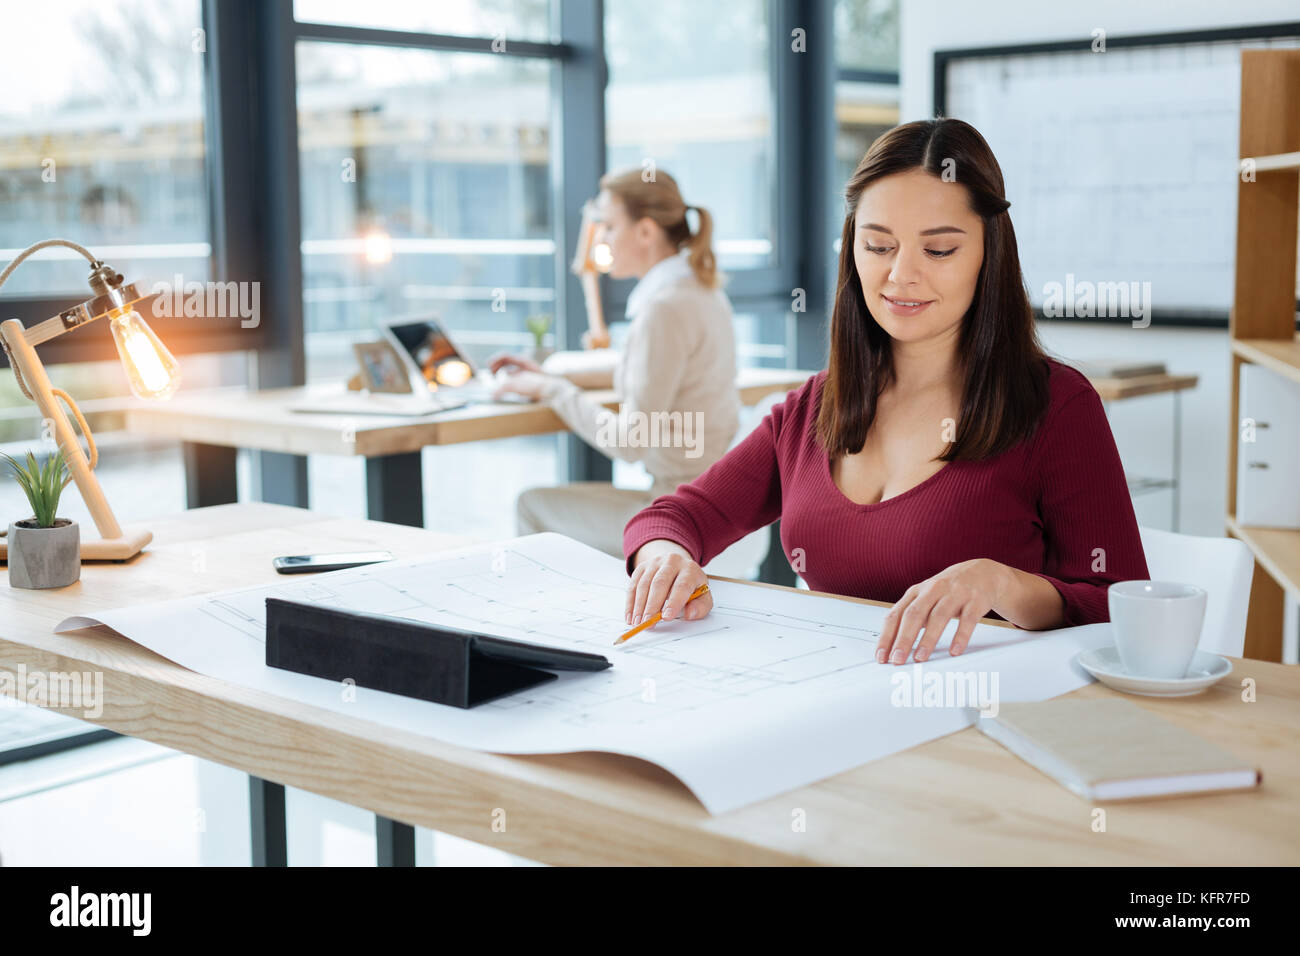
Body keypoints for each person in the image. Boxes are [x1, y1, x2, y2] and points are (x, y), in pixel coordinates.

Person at [622, 118, 1150, 665]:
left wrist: (998, 584)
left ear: (988, 254)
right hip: (837, 702)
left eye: (939, 251)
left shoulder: (1057, 407)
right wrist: (666, 556)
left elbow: (1122, 602)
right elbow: (672, 518)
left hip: (984, 720)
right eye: (878, 246)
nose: (901, 275)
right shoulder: (814, 408)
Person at [491, 168, 739, 557]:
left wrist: (553, 390)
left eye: (607, 226)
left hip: (680, 512)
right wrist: (549, 372)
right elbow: (644, 367)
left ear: (645, 232)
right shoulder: (697, 290)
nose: (601, 239)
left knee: (532, 505)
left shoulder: (664, 308)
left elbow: (630, 443)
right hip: (717, 505)